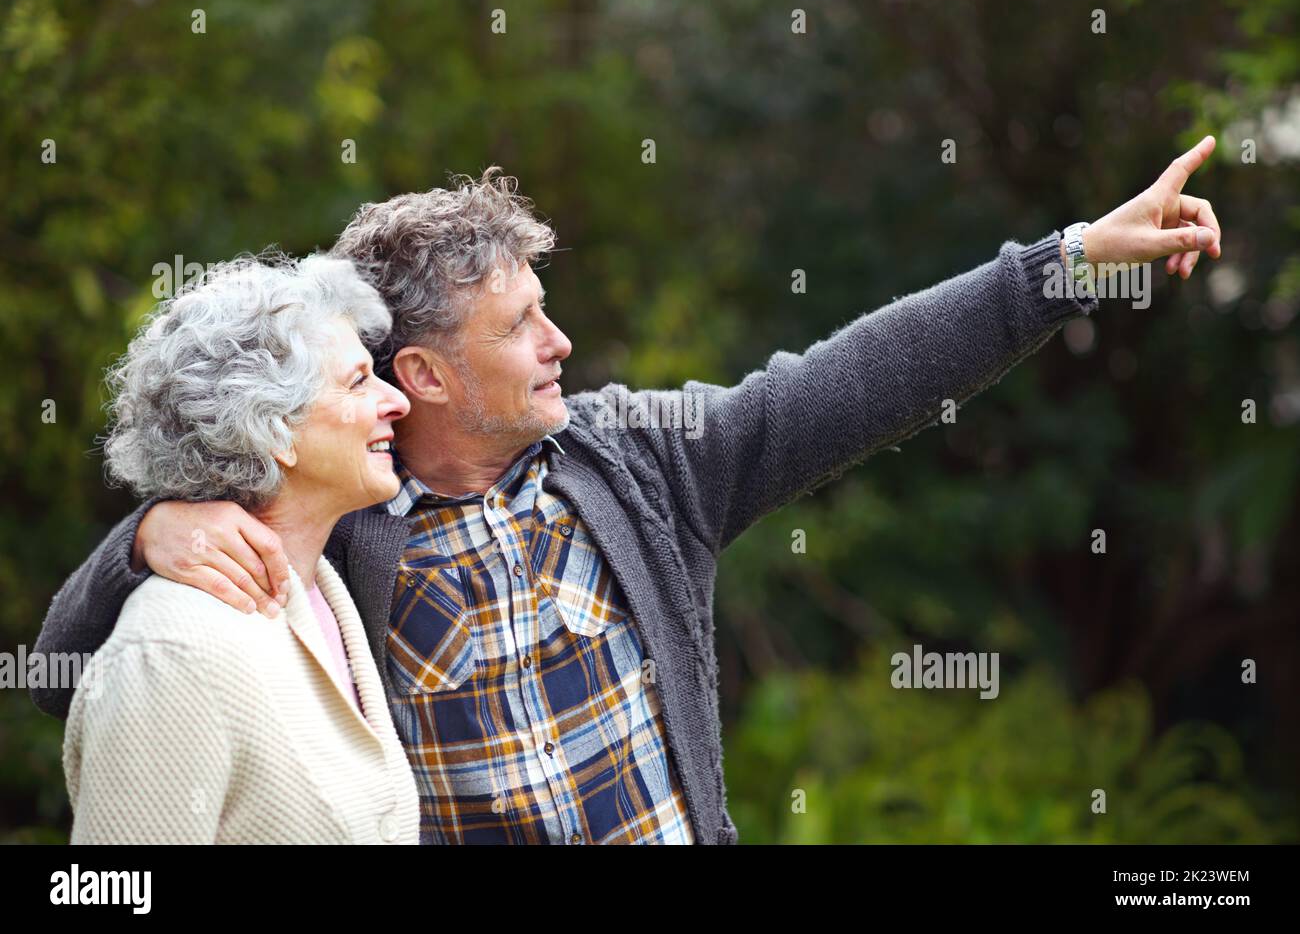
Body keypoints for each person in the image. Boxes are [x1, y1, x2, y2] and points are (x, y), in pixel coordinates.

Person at [36, 139, 1223, 844]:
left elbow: (857, 380)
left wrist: (1063, 265)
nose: (561, 340)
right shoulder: (335, 530)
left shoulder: (642, 461)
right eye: (521, 323)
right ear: (422, 373)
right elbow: (89, 669)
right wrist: (147, 532)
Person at [61, 253, 419, 843]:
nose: (397, 402)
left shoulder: (330, 593)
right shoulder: (171, 649)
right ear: (273, 429)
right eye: (359, 381)